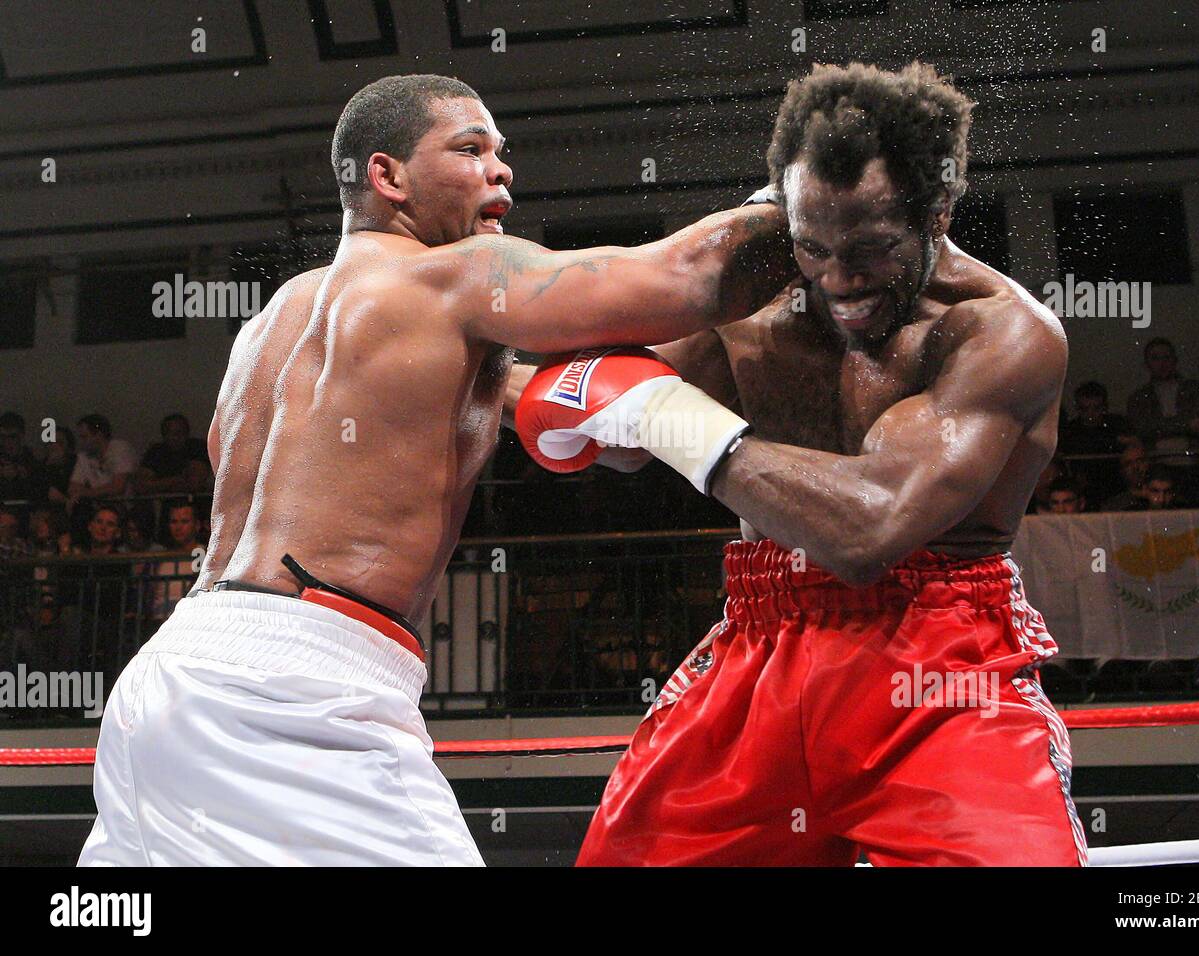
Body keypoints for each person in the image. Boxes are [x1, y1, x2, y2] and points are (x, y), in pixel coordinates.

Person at [80, 73, 793, 867]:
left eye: (503, 152)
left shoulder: (271, 321)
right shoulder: (458, 276)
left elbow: (274, 449)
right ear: (386, 177)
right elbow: (687, 279)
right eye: (470, 148)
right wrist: (796, 193)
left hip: (168, 676)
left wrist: (566, 402)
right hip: (301, 690)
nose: (502, 170)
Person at [513, 62, 1087, 866]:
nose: (839, 281)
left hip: (937, 668)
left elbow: (868, 530)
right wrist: (541, 398)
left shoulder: (999, 333)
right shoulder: (753, 301)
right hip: (762, 646)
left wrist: (657, 413)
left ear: (940, 210)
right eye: (812, 247)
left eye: (871, 251)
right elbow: (618, 431)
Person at [1125, 338, 1199, 463]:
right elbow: (1142, 430)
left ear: (1175, 360)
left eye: (1166, 357)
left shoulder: (1195, 389)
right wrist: (1187, 425)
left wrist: (1160, 426)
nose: (1162, 363)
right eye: (1155, 358)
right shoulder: (1138, 397)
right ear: (1146, 364)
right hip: (1155, 464)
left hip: (1195, 461)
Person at [134, 414, 214, 495]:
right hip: (162, 503)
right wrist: (174, 480)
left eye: (179, 432)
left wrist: (159, 484)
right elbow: (141, 486)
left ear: (187, 433)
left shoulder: (197, 448)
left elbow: (194, 484)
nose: (175, 437)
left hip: (197, 502)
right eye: (169, 433)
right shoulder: (155, 452)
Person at [68, 415, 137, 504]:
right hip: (99, 508)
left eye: (84, 437)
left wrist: (85, 493)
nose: (81, 442)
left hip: (125, 506)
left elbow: (118, 487)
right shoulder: (83, 456)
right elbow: (73, 488)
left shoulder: (120, 448)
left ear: (99, 435)